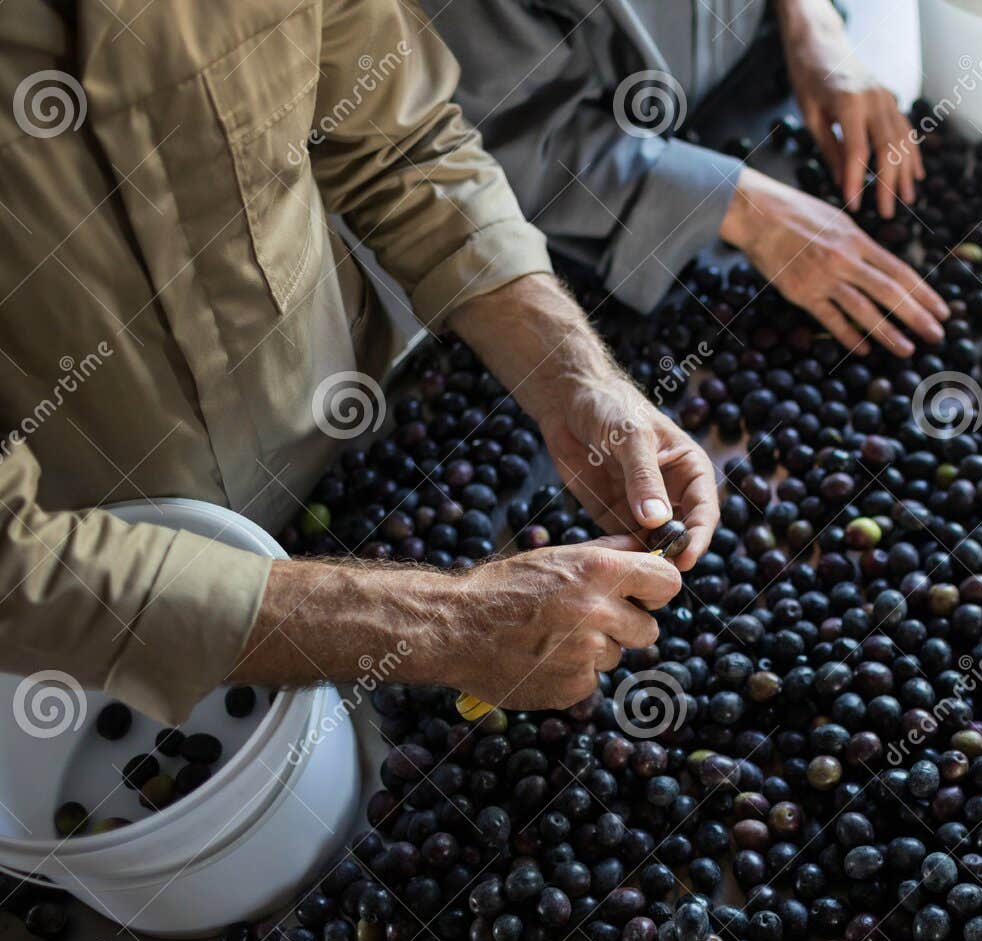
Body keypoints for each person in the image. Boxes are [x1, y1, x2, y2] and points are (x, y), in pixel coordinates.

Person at [0, 0, 716, 726]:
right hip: (93, 614)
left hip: (360, 427)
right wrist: (447, 625)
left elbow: (400, 144)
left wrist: (574, 375)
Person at [421, 0, 949, 357]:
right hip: (599, 196)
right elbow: (511, 139)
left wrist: (813, 25)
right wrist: (741, 209)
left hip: (760, 86)